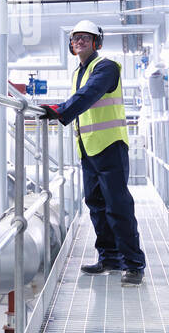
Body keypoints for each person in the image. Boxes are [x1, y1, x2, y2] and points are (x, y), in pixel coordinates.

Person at [40, 20, 146, 285]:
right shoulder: (78, 72)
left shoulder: (106, 67)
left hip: (110, 145)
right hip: (88, 149)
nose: (79, 41)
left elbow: (90, 94)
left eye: (86, 37)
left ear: (97, 42)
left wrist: (60, 111)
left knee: (118, 206)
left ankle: (133, 265)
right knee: (96, 205)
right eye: (75, 38)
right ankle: (109, 258)